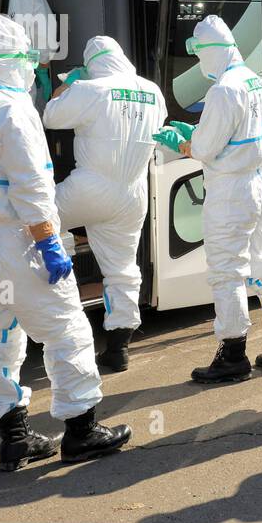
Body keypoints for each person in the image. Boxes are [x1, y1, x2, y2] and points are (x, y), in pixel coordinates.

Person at [0, 13, 130, 471]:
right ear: (13, 58)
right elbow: (31, 186)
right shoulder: (13, 109)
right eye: (28, 57)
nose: (33, 67)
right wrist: (49, 242)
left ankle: (14, 437)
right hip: (20, 242)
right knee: (66, 330)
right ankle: (82, 432)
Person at [154, 15, 262, 383]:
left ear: (209, 51)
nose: (198, 62)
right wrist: (201, 132)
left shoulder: (223, 89)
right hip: (260, 182)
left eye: (198, 52)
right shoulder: (256, 82)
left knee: (226, 272)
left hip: (230, 192)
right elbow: (239, 134)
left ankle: (233, 353)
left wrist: (184, 141)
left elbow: (205, 149)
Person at [43, 37, 167, 373]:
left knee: (32, 226)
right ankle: (118, 348)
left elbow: (50, 116)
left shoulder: (89, 89)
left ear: (92, 64)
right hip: (132, 193)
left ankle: (50, 321)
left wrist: (69, 84)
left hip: (89, 187)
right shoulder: (153, 91)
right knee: (122, 270)